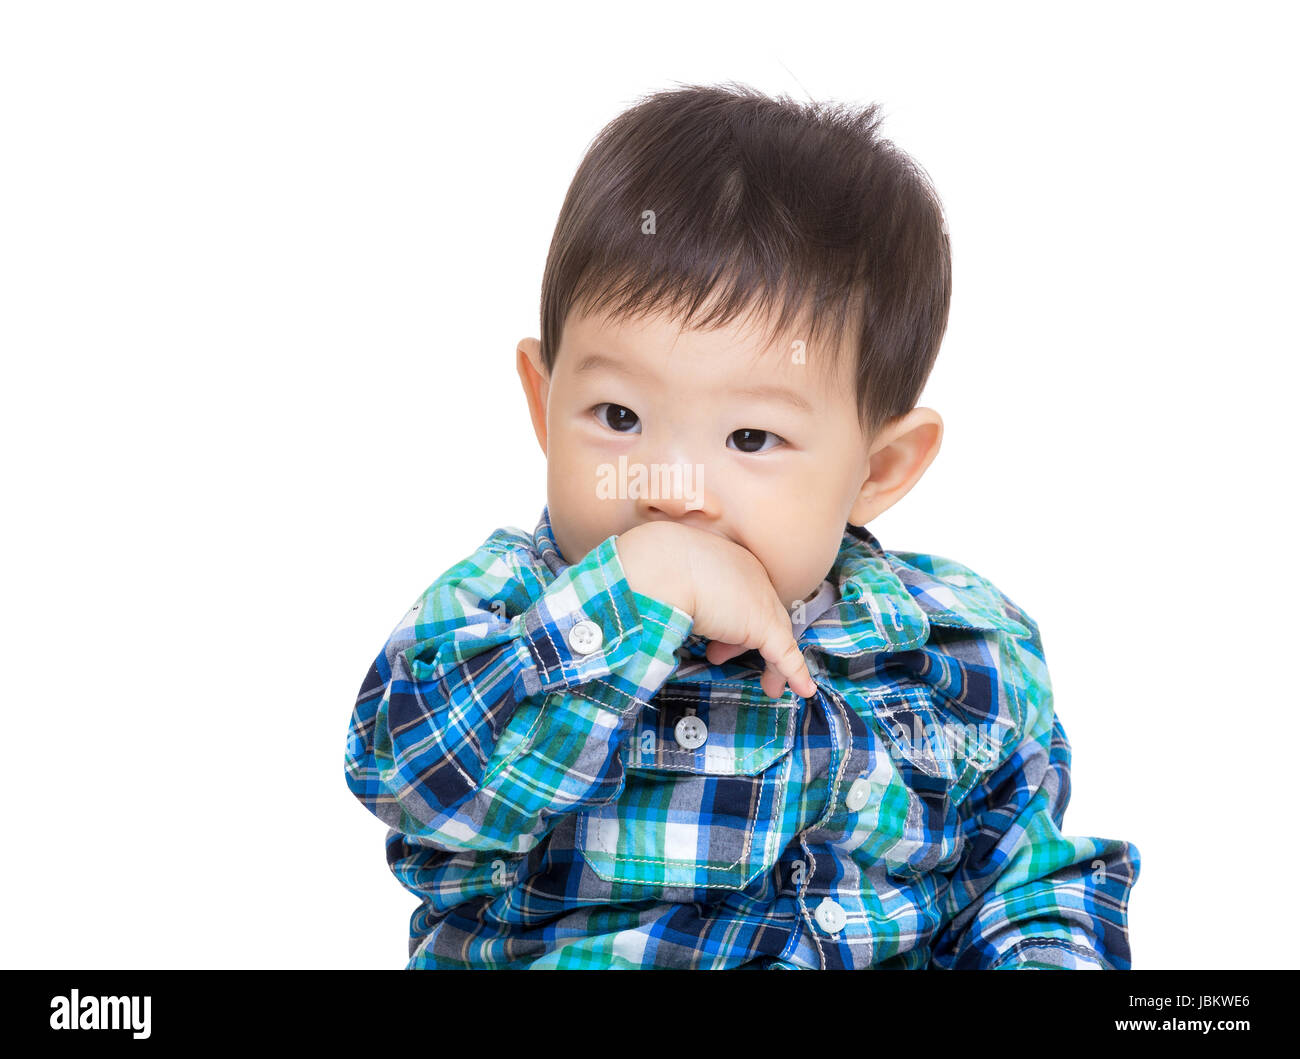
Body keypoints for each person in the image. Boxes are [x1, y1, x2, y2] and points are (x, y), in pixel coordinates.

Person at [343, 82, 1140, 969]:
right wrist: (634, 594)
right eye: (617, 416)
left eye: (751, 437)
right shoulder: (501, 617)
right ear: (542, 399)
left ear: (879, 469)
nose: (672, 486)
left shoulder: (961, 650)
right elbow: (413, 777)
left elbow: (1021, 883)